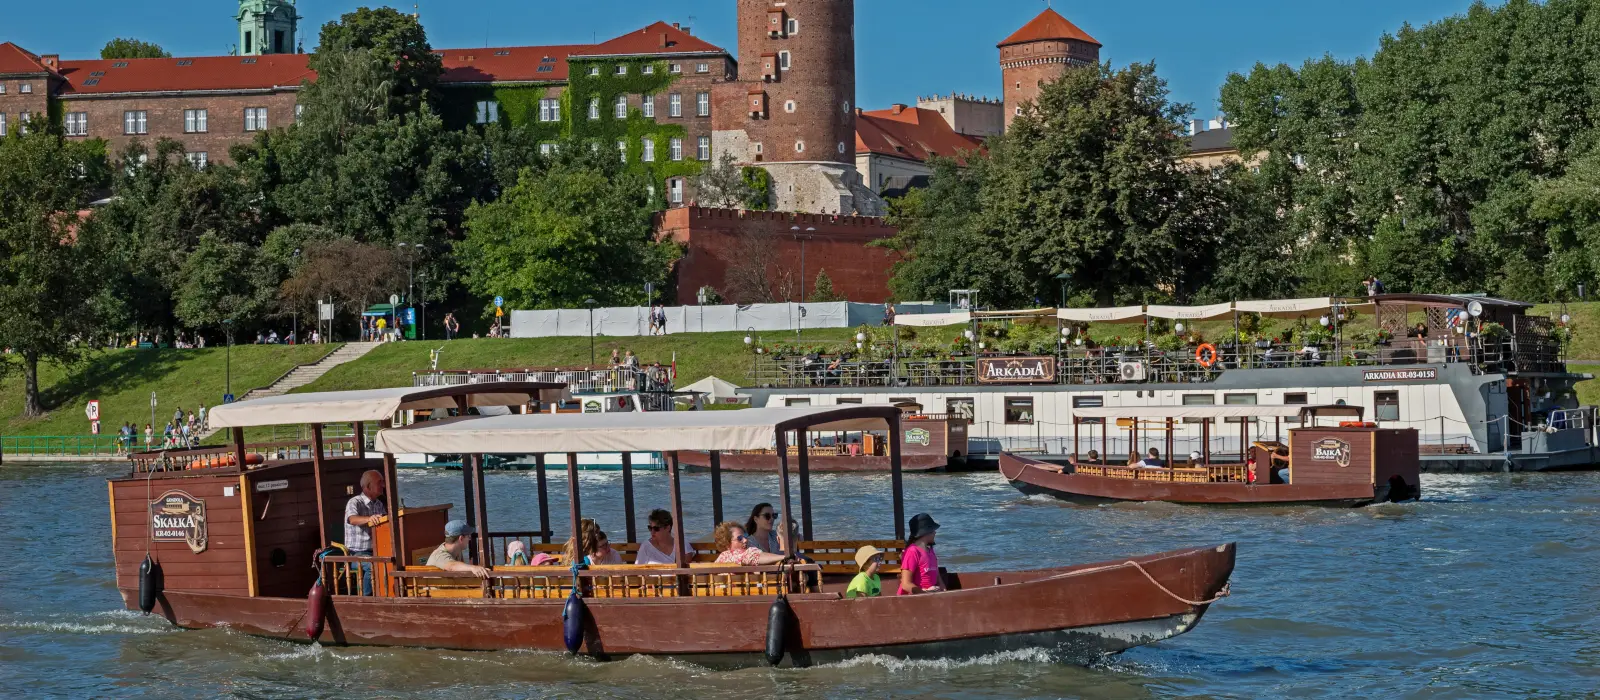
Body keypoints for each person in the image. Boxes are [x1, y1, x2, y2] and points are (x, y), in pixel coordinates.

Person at [343, 470, 388, 595]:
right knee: (373, 566)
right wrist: (369, 519)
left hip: (377, 551)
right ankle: (365, 600)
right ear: (368, 486)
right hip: (355, 554)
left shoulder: (379, 504)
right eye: (380, 482)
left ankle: (386, 595)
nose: (383, 485)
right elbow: (352, 519)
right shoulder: (355, 502)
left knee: (392, 562)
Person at [426, 520, 491, 576]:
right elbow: (452, 566)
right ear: (461, 538)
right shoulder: (439, 555)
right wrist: (473, 568)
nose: (470, 538)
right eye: (468, 536)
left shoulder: (457, 551)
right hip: (434, 590)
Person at [898, 513, 942, 595]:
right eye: (933, 530)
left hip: (931, 596)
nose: (935, 533)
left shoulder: (931, 551)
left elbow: (938, 576)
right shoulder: (912, 551)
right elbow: (905, 584)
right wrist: (924, 594)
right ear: (925, 532)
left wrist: (944, 591)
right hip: (914, 600)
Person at [712, 521, 787, 566]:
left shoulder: (722, 557)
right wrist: (785, 557)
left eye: (745, 536)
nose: (745, 540)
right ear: (727, 544)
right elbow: (755, 556)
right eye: (740, 538)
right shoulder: (738, 554)